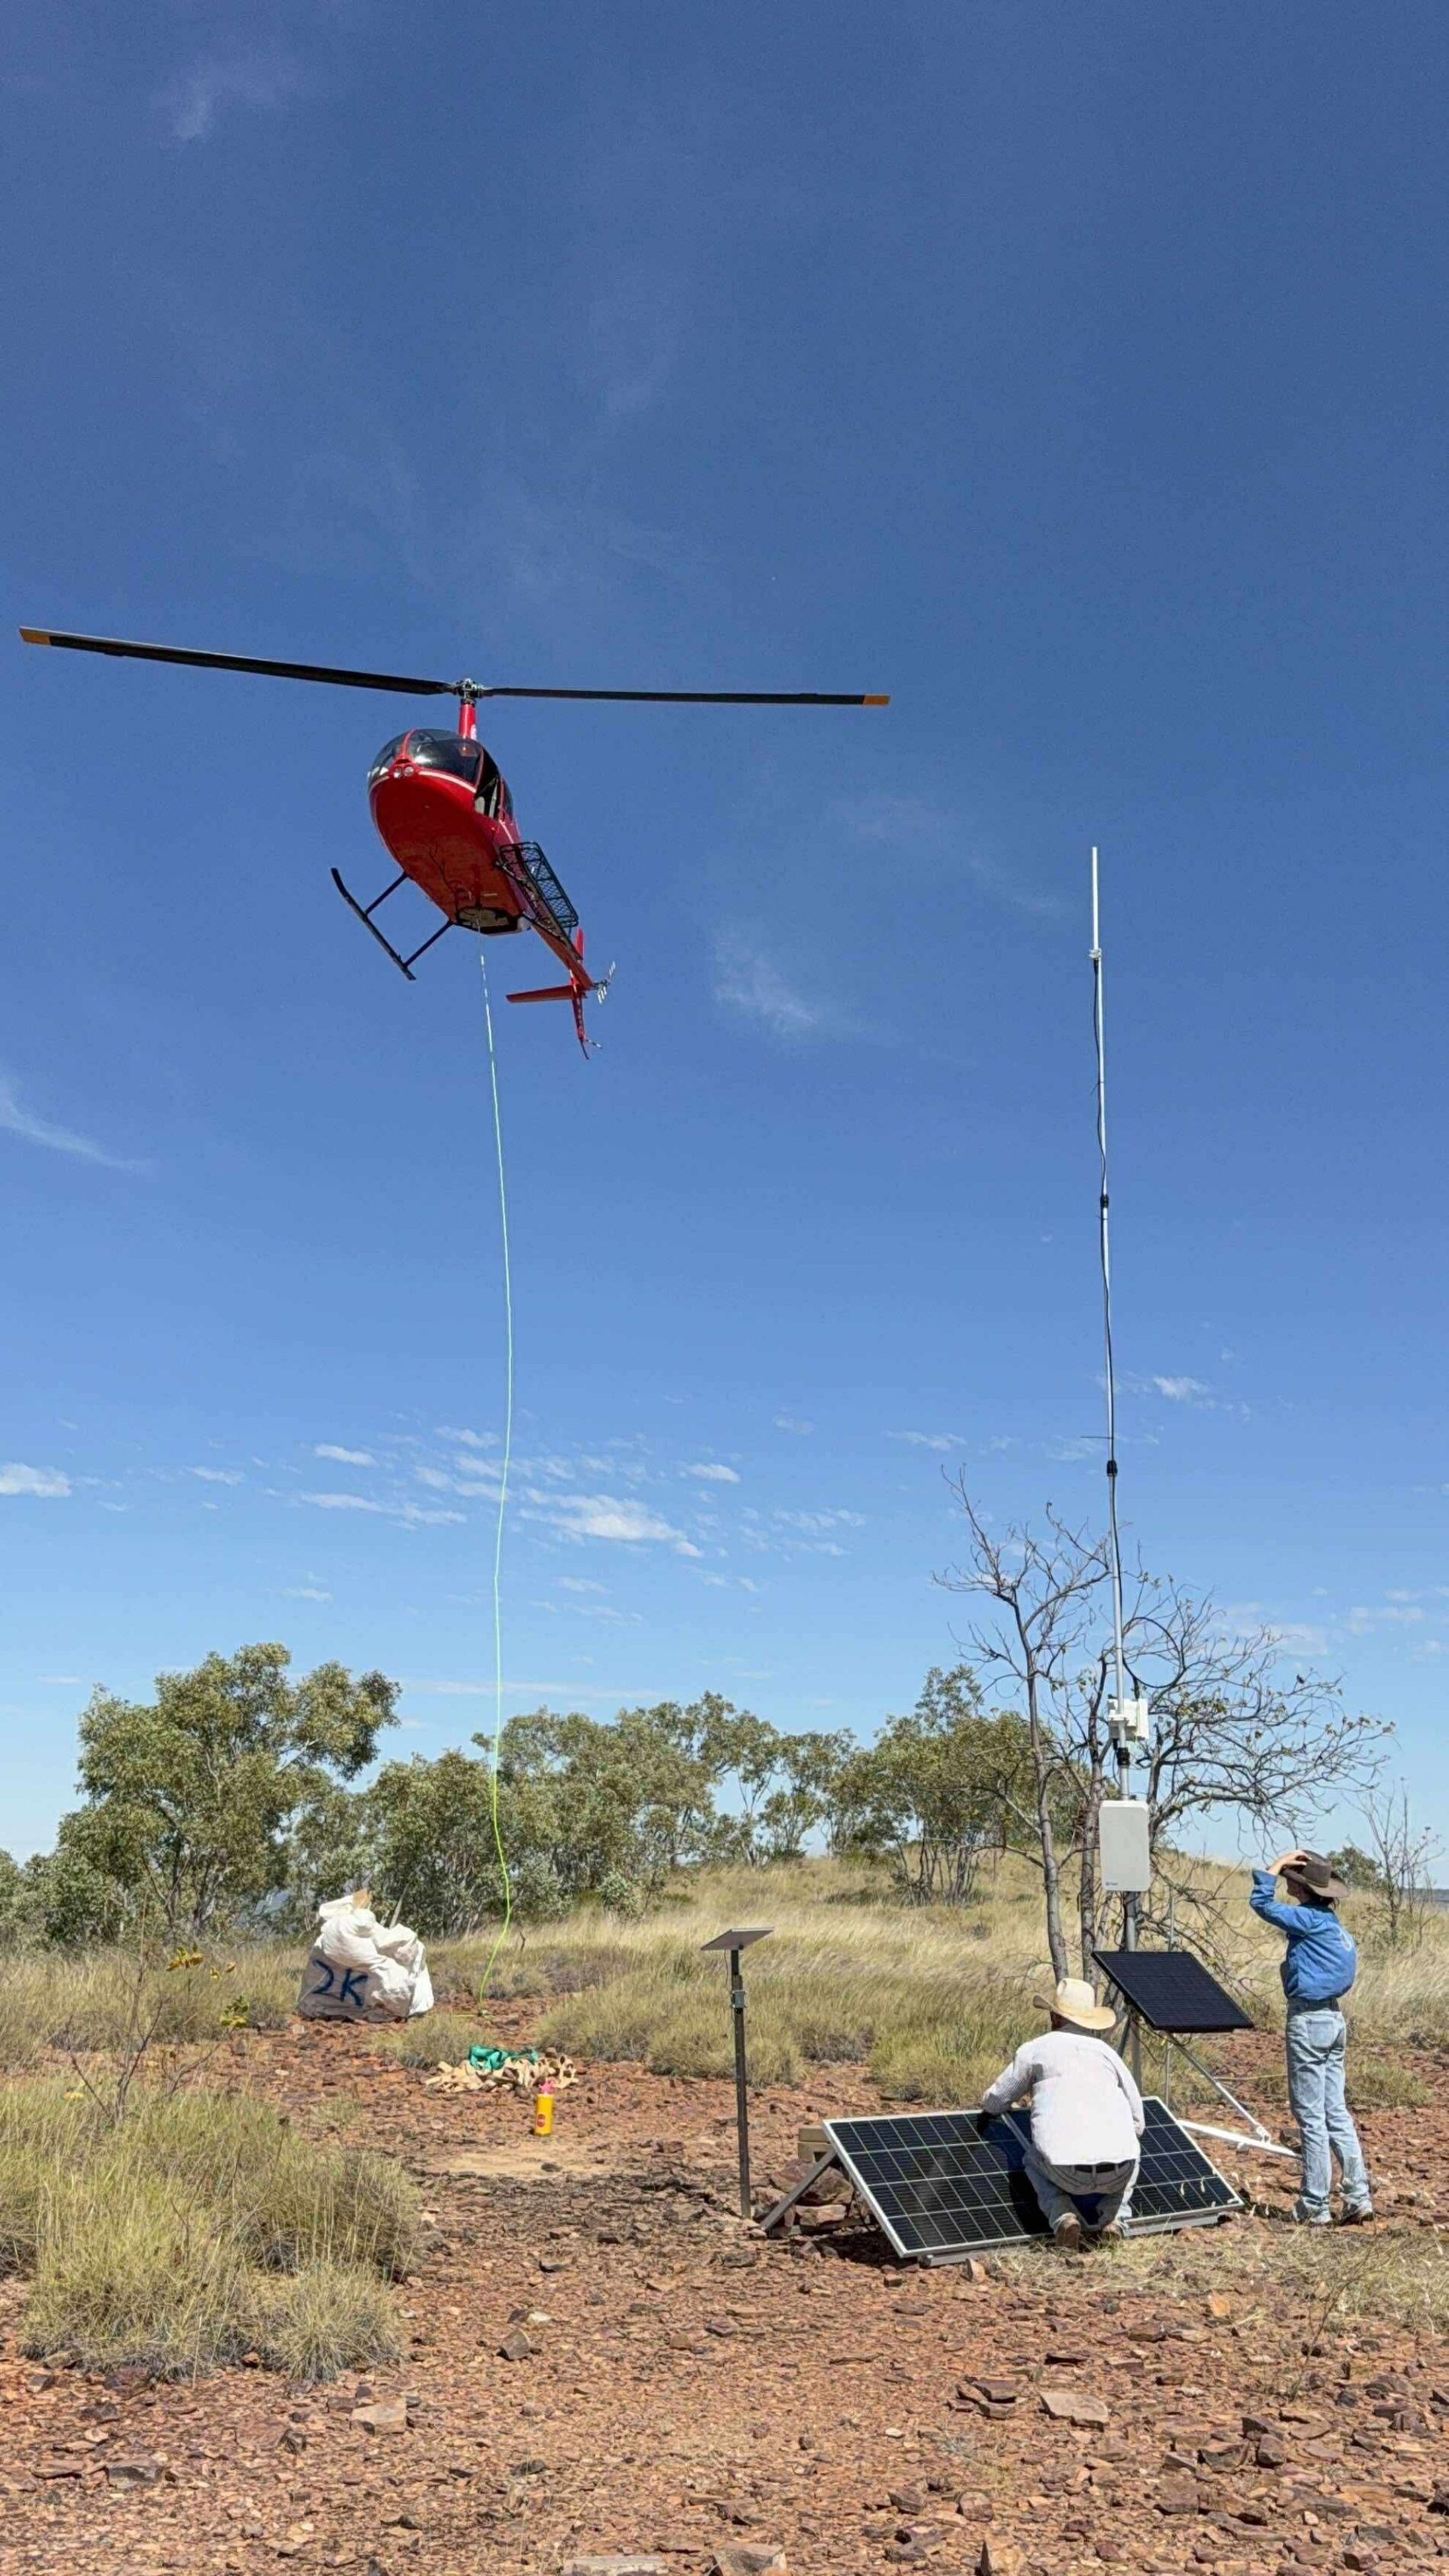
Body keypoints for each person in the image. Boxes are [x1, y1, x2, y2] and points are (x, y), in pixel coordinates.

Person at [1250, 1848, 1372, 2226]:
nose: (1289, 1881)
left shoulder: (1306, 1919)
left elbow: (1260, 1902)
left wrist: (1278, 1863)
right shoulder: (1335, 1928)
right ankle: (1357, 2195)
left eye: (1293, 1878)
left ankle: (1315, 2203)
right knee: (1335, 2110)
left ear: (1303, 1888)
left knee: (1311, 2115)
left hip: (1309, 2019)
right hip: (1334, 2019)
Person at [978, 1976, 1144, 2250]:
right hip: (1117, 2173)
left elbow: (996, 2102)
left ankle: (1062, 2216)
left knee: (1032, 2158)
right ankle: (1116, 2219)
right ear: (1090, 2020)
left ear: (1055, 2017)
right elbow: (1138, 2123)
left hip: (1063, 2171)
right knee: (1134, 2149)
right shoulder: (1108, 2054)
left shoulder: (1035, 2050)